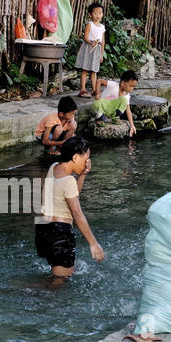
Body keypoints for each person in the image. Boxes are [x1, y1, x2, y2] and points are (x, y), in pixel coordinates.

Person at [34, 136, 104, 280]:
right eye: (86, 158)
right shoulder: (69, 181)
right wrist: (93, 243)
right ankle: (24, 291)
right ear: (76, 157)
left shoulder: (54, 167)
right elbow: (77, 214)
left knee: (64, 273)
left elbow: (73, 194)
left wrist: (83, 174)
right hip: (59, 233)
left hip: (43, 229)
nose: (88, 162)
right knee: (58, 282)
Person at [91, 69, 138, 137]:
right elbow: (99, 81)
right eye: (130, 86)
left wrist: (132, 126)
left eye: (133, 87)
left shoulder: (127, 96)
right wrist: (97, 92)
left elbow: (128, 111)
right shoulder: (113, 85)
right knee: (97, 103)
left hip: (111, 111)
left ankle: (115, 117)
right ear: (122, 83)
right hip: (102, 108)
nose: (132, 89)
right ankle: (99, 119)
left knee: (124, 100)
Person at [75, 3, 106, 98]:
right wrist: (90, 42)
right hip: (88, 48)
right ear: (90, 14)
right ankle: (83, 90)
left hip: (97, 49)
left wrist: (101, 54)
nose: (98, 15)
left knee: (94, 71)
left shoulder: (102, 27)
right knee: (85, 70)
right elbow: (85, 37)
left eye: (100, 13)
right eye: (95, 13)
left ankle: (94, 90)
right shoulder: (90, 24)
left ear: (102, 14)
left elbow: (103, 41)